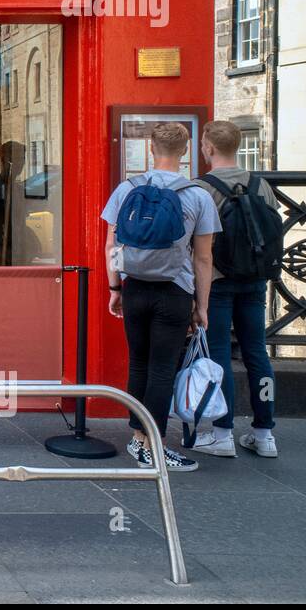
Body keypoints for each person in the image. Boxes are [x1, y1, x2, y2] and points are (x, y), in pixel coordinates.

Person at [102, 122, 220, 473]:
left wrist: (115, 287)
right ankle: (151, 445)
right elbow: (203, 258)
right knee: (163, 369)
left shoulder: (127, 189)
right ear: (185, 151)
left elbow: (112, 245)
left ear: (151, 148)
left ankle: (139, 438)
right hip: (175, 291)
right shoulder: (197, 196)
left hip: (135, 286)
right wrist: (202, 306)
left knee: (138, 363)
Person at [189, 120, 280, 459]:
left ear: (208, 148)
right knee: (258, 353)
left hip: (217, 281)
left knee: (219, 356)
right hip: (255, 281)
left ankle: (223, 432)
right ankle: (264, 432)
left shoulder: (201, 187)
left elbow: (194, 245)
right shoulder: (261, 185)